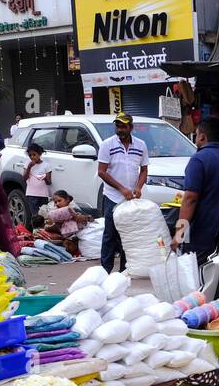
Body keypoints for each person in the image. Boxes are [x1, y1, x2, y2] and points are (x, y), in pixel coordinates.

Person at [172, 116, 219, 265]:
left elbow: (190, 199)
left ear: (202, 137)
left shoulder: (198, 160)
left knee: (198, 282)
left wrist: (179, 235)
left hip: (202, 237)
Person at [96, 112, 149, 273]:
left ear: (131, 128)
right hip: (113, 197)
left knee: (128, 236)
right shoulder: (107, 145)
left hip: (131, 199)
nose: (120, 129)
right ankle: (105, 271)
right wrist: (122, 189)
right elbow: (102, 172)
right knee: (110, 235)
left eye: (123, 126)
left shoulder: (141, 145)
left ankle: (125, 271)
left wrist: (138, 187)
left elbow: (144, 170)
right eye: (118, 126)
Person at [41, 190, 91, 258]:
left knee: (68, 244)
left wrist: (77, 217)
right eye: (55, 202)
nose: (57, 204)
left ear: (67, 200)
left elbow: (87, 219)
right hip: (65, 237)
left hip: (76, 237)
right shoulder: (56, 214)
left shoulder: (74, 210)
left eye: (59, 200)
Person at [23, 143, 52, 226]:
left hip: (43, 194)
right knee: (35, 215)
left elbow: (49, 182)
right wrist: (29, 167)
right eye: (30, 155)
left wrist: (45, 177)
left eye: (34, 155)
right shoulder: (27, 164)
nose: (32, 157)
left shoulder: (46, 165)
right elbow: (24, 178)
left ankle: (43, 233)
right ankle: (35, 233)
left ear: (40, 154)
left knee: (44, 215)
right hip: (31, 194)